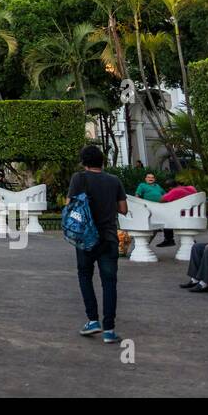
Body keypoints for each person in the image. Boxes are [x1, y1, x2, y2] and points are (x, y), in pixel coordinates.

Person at [68, 145, 128, 343]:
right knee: (109, 283)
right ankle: (109, 330)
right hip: (109, 237)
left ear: (84, 162)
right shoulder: (114, 180)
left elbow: (70, 204)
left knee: (85, 276)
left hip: (86, 238)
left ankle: (93, 320)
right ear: (102, 161)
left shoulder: (79, 179)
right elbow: (123, 209)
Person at [156, 179, 198, 247]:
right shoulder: (191, 188)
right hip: (196, 216)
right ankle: (190, 240)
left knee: (165, 217)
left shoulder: (175, 191)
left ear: (170, 188)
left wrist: (168, 194)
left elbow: (161, 200)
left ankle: (169, 240)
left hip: (183, 217)